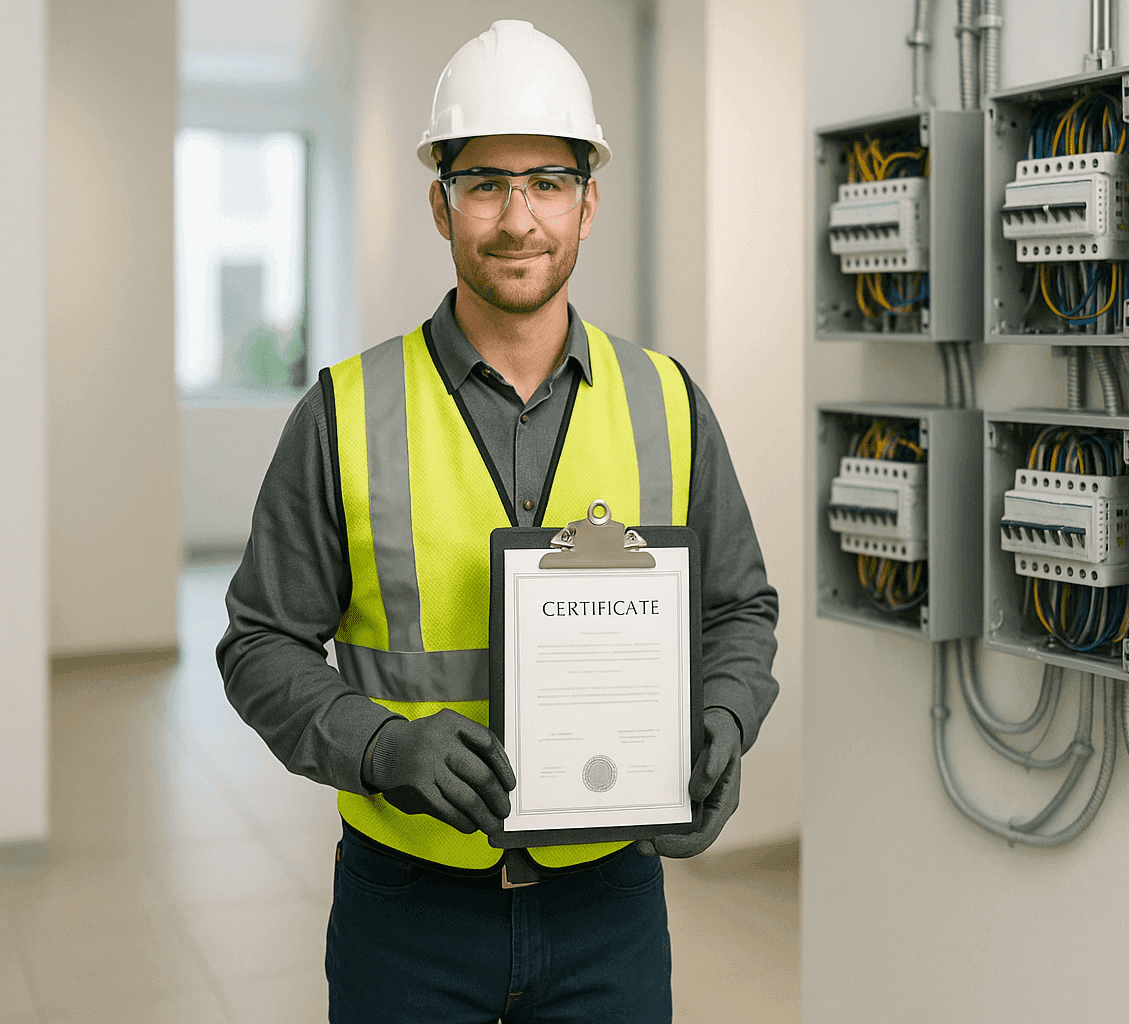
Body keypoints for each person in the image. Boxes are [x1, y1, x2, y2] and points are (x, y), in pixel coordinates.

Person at [217, 20, 779, 1023]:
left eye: (547, 182)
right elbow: (259, 642)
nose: (518, 219)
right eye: (484, 183)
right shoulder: (344, 413)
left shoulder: (668, 402)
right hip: (409, 912)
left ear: (587, 201)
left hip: (610, 910)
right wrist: (380, 744)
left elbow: (739, 609)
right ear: (441, 204)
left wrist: (723, 725)